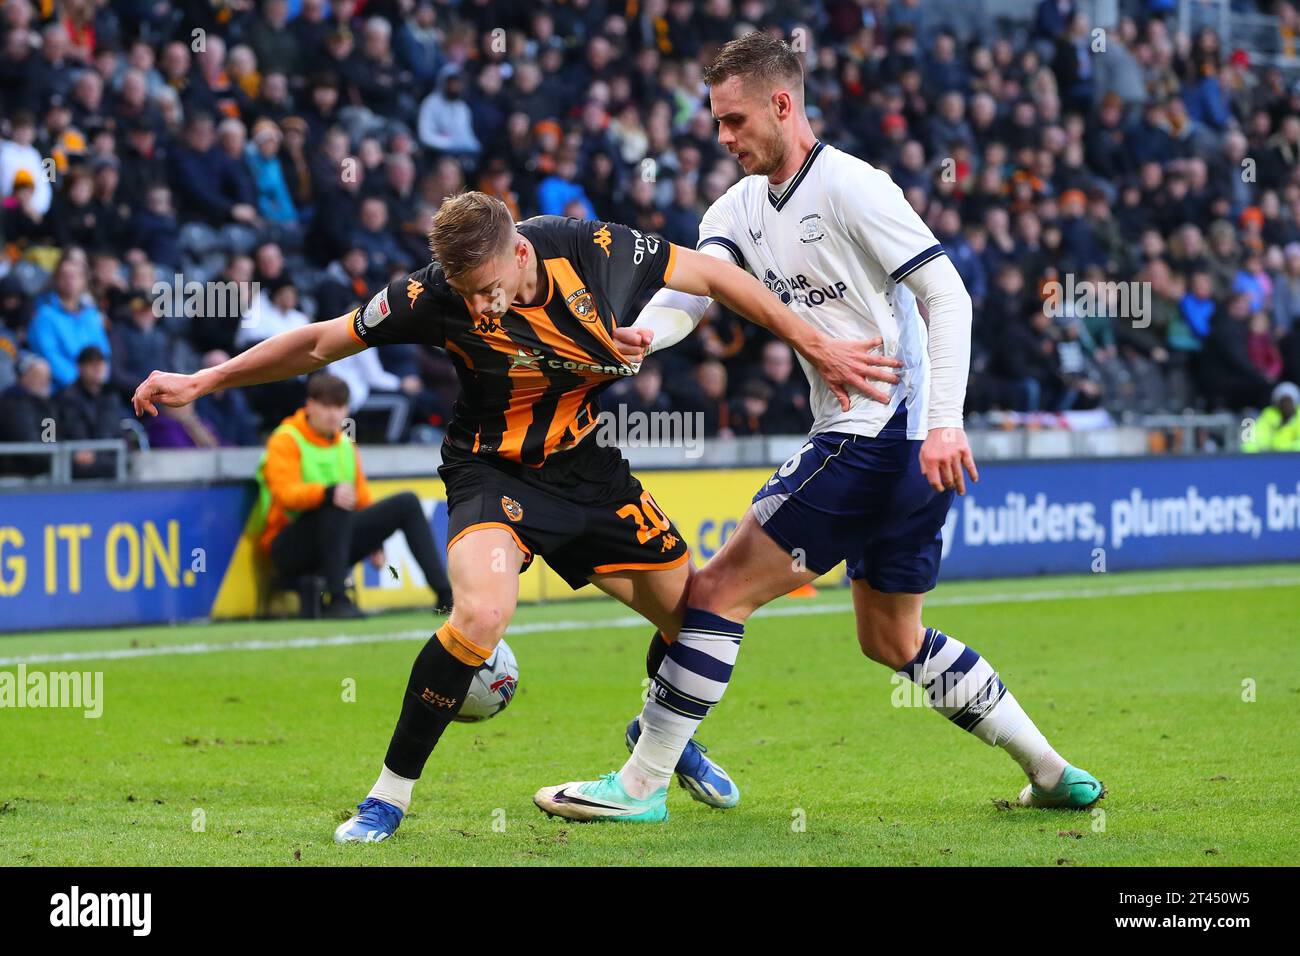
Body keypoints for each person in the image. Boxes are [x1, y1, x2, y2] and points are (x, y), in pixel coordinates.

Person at [130, 190, 897, 841]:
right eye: (464, 294)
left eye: (488, 289)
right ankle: (387, 797)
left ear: (520, 255)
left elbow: (717, 277)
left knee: (695, 623)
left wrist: (815, 343)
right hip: (489, 470)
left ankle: (658, 740)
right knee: (481, 614)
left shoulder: (594, 249)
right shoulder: (432, 293)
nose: (477, 307)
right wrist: (203, 381)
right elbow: (321, 343)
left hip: (586, 470)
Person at [536, 33, 1103, 823]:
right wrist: (645, 336)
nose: (724, 138)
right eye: (716, 124)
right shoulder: (734, 208)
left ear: (783, 103)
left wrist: (945, 422)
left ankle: (642, 783)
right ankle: (1050, 770)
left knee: (712, 596)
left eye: (735, 121)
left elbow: (950, 296)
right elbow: (698, 292)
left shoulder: (853, 187)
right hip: (904, 457)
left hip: (875, 435)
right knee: (892, 641)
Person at [252, 371, 452, 619]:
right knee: (335, 501)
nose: (333, 414)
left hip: (335, 538)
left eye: (339, 407)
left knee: (407, 503)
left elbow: (361, 496)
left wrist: (376, 542)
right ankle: (337, 599)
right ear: (310, 405)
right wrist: (326, 493)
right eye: (326, 406)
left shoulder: (345, 443)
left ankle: (446, 596)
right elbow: (285, 496)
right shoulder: (285, 439)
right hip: (288, 546)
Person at [1242, 381, 1300, 452]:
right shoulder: (1268, 416)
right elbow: (1255, 439)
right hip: (1271, 459)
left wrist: (1283, 448)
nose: (1285, 405)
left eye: (1288, 401)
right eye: (1282, 401)